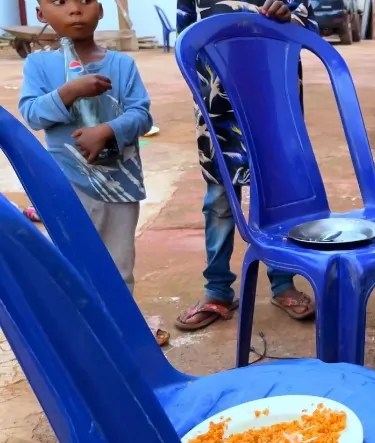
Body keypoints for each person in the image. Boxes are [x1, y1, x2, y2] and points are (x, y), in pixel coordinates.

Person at [18, 0, 168, 346]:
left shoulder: (122, 65)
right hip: (66, 184)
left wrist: (108, 130)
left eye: (85, 1)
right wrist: (69, 92)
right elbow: (32, 114)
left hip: (119, 185)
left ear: (100, 10)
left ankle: (122, 334)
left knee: (118, 264)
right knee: (71, 263)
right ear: (41, 14)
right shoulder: (39, 65)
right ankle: (80, 336)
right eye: (60, 2)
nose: (75, 10)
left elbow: (141, 115)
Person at [174, 0, 319, 330]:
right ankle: (217, 289)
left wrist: (287, 17)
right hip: (218, 111)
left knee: (278, 196)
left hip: (275, 102)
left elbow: (311, 28)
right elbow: (185, 37)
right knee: (219, 200)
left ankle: (282, 282)